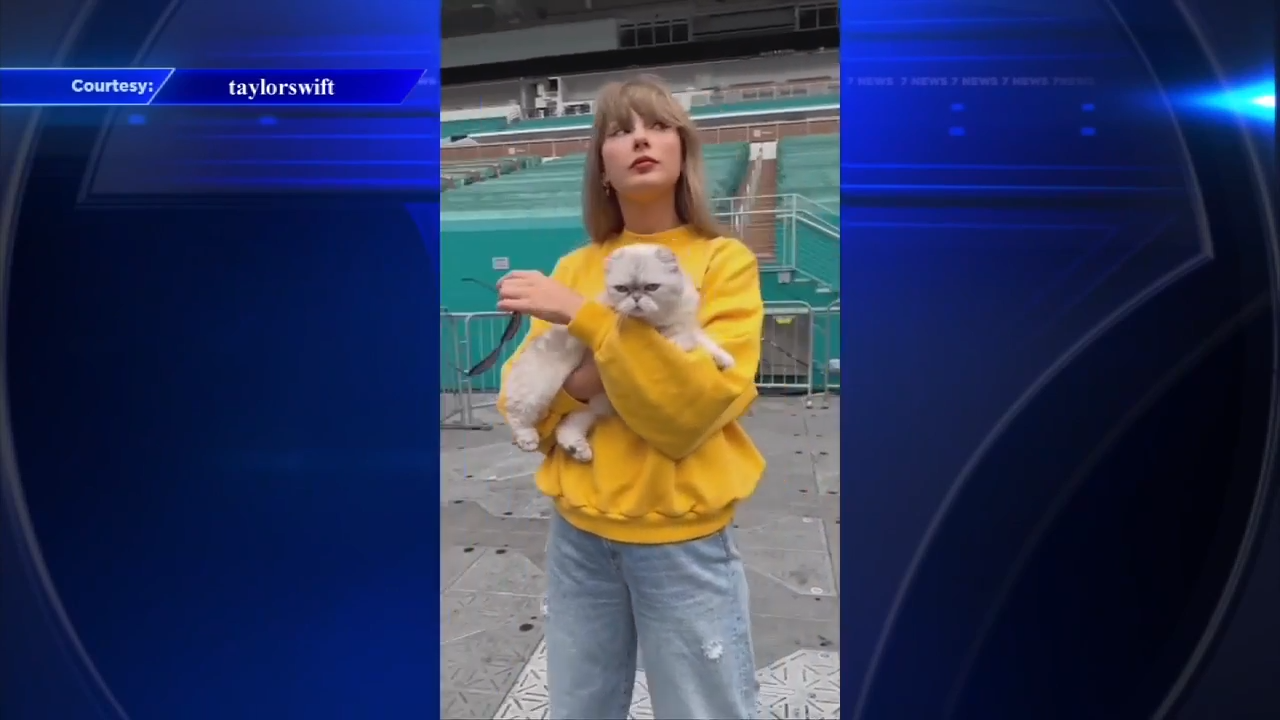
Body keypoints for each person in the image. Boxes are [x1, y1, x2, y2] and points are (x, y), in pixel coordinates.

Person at [495, 75, 766, 720]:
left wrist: (587, 326)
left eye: (657, 125)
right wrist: (593, 378)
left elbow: (689, 411)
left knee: (705, 709)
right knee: (579, 707)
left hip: (681, 540)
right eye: (619, 132)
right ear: (603, 170)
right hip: (577, 535)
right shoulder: (574, 268)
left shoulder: (722, 262)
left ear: (682, 153)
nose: (639, 138)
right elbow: (517, 395)